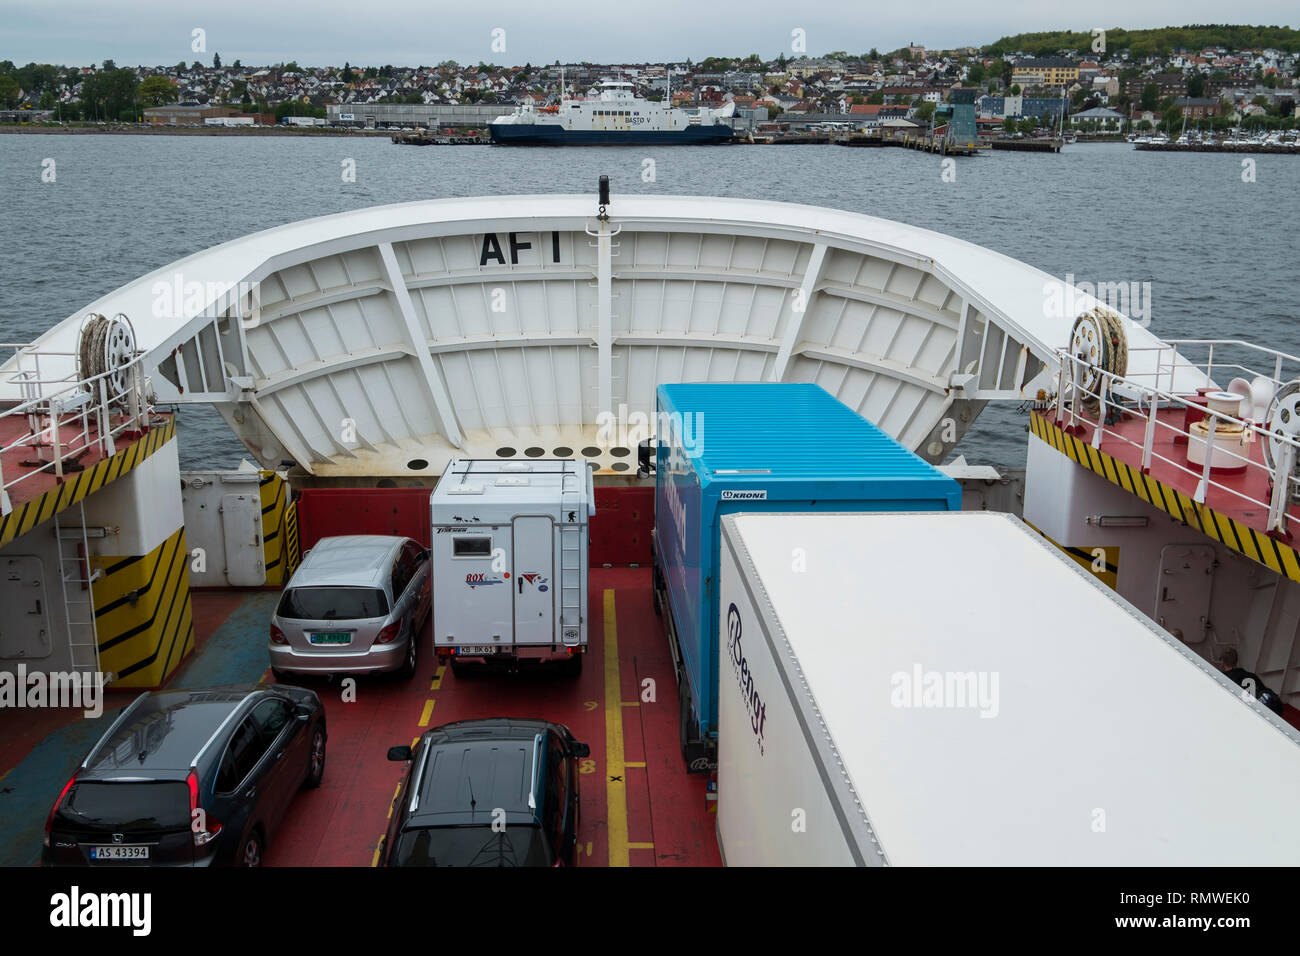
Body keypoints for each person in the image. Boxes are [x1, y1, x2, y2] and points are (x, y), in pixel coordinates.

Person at [1218, 647, 1285, 717]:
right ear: (1236, 661)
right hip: (1266, 712)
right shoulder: (1251, 676)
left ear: (1222, 661)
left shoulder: (1223, 679)